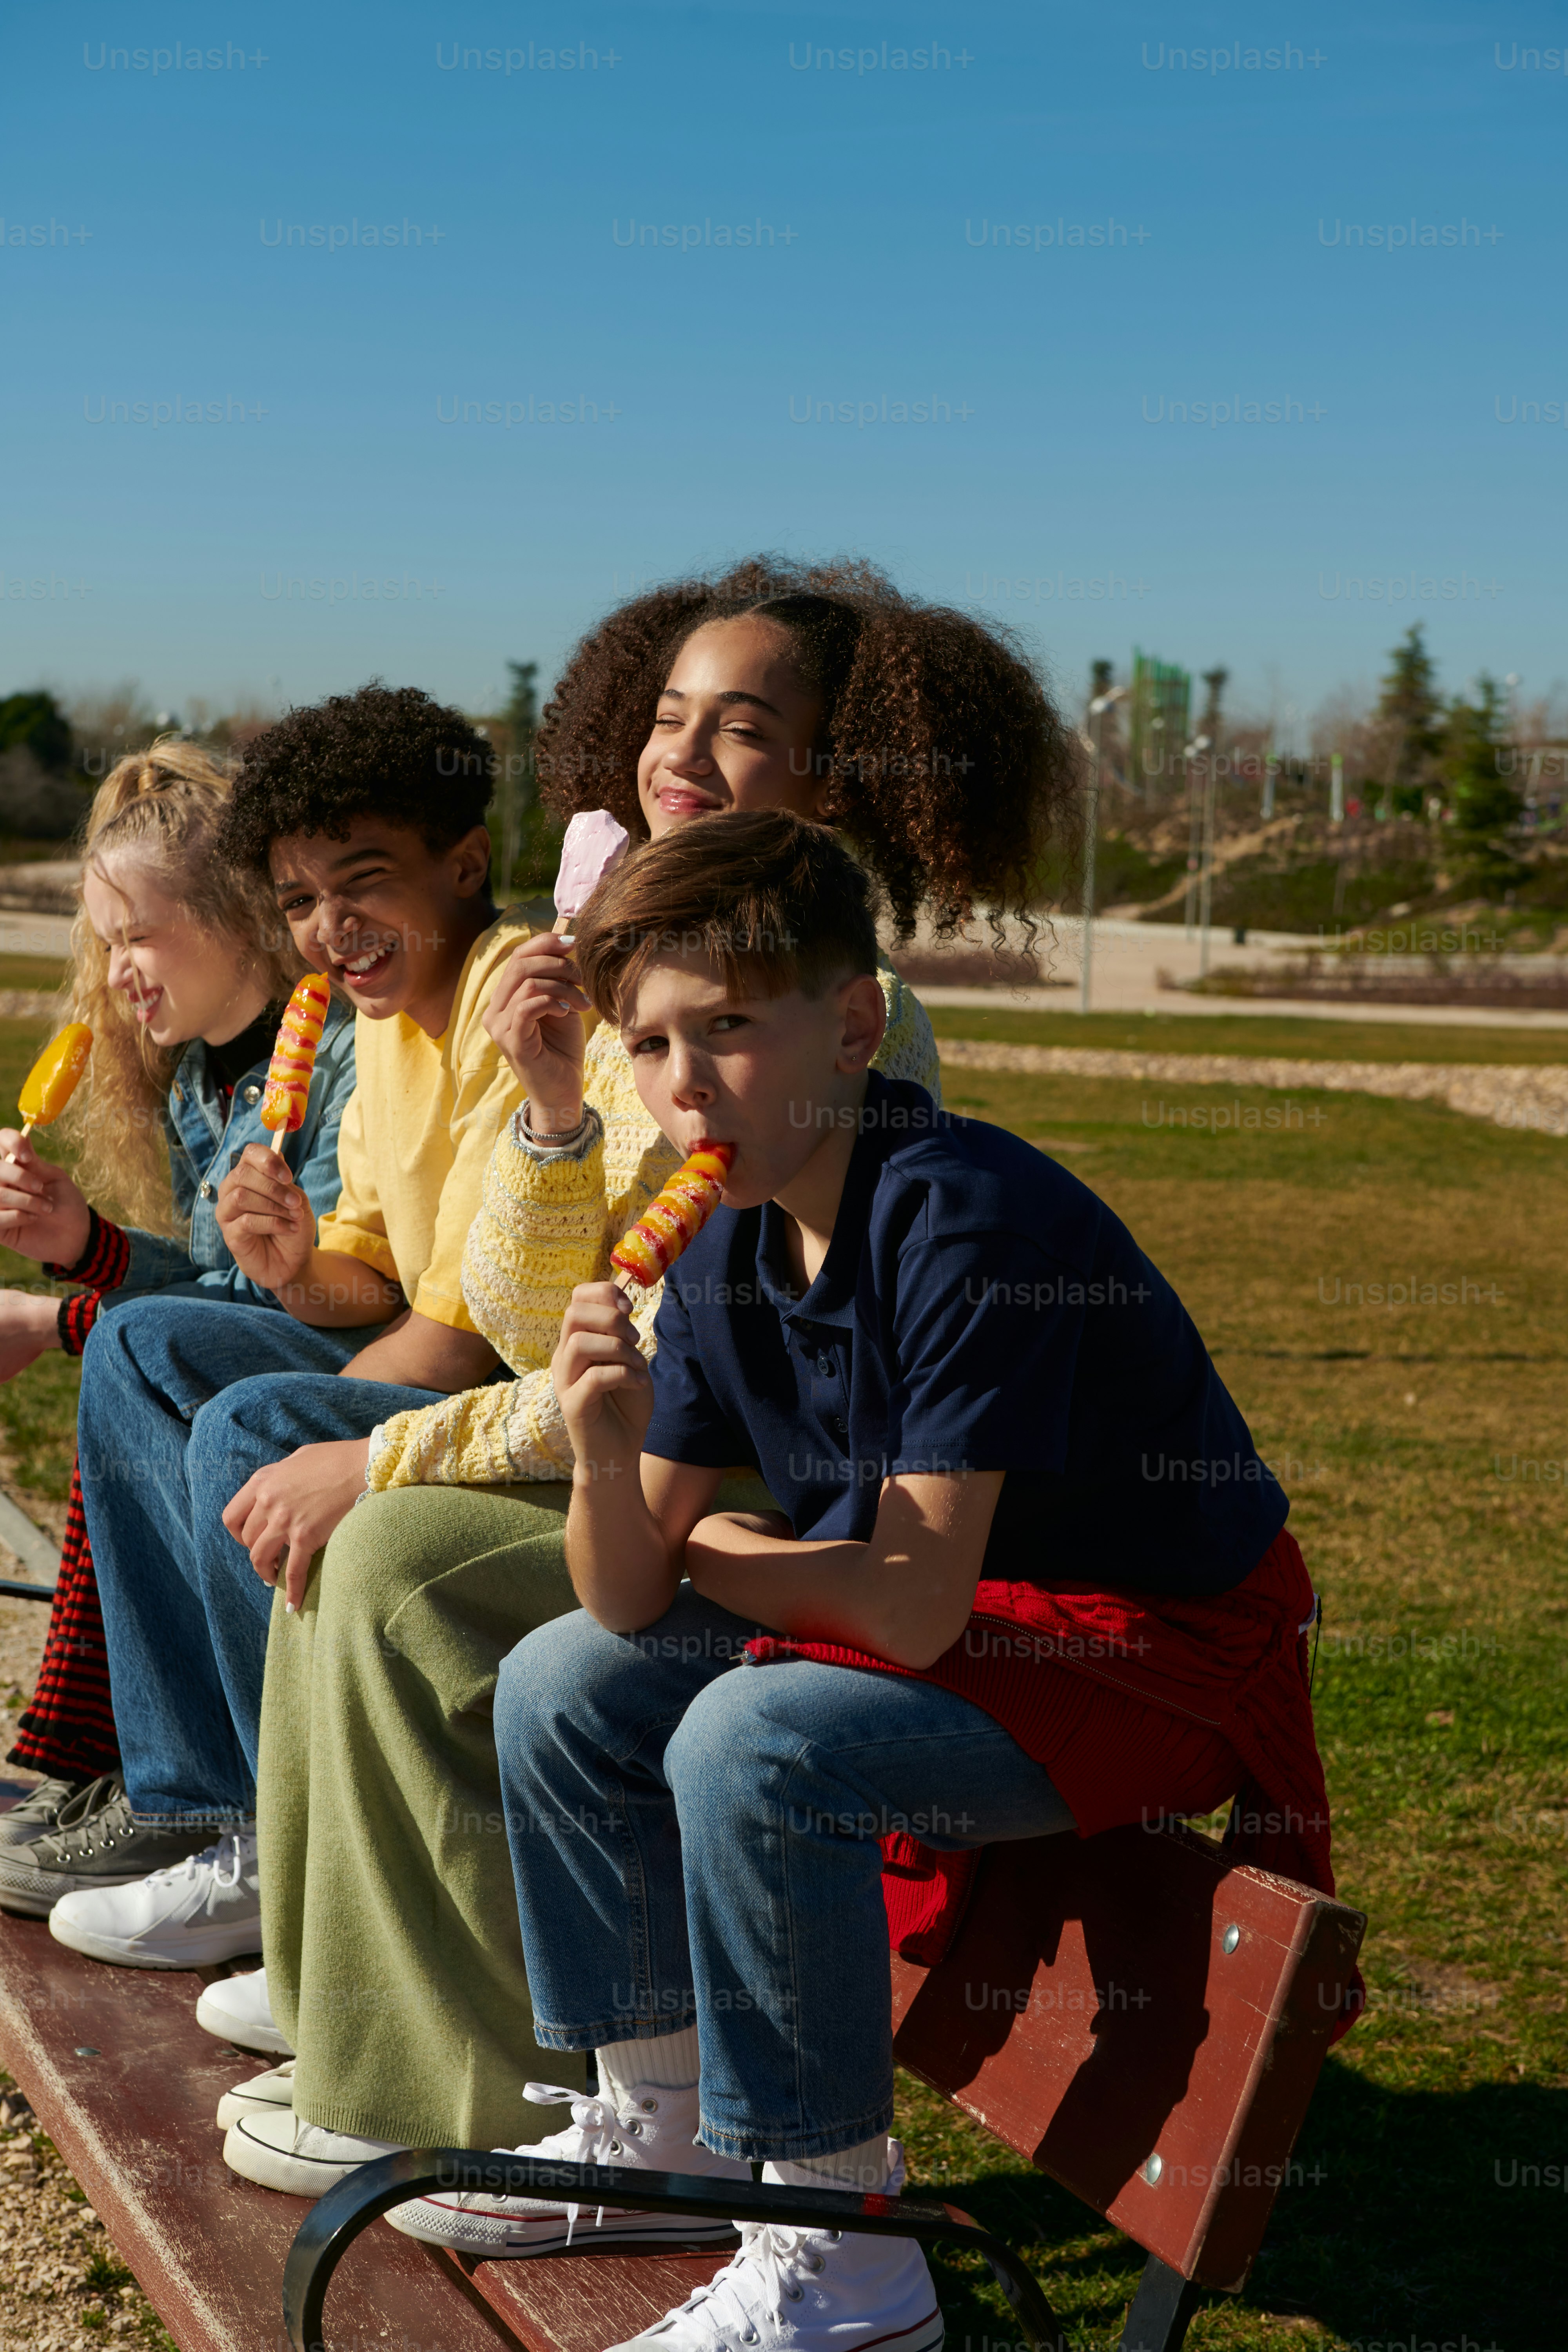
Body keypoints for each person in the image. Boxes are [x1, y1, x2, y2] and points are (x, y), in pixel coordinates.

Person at [386, 810, 1346, 2343]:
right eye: (646, 1046)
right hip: (980, 1639)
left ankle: (844, 2251)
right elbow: (627, 1598)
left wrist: (709, 1542)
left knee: (750, 1742)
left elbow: (904, 1606)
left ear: (850, 1027)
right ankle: (667, 2132)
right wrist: (601, 1444)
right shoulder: (716, 1240)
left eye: (728, 1032)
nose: (683, 1085)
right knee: (566, 1677)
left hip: (1149, 1652)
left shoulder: (960, 1218)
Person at [221, 559, 1081, 2197]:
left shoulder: (835, 1022)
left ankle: (444, 2073)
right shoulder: (641, 974)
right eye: (670, 715)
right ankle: (350, 1980)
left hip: (785, 1478)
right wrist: (551, 1106)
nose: (683, 753)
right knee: (313, 1469)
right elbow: (545, 1314)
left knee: (393, 1553)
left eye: (744, 731)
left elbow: (695, 1352)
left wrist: (400, 1461)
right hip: (669, 1448)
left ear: (835, 778)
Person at [42, 684, 537, 1984]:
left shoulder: (502, 1006)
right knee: (144, 1346)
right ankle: (209, 1809)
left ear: (467, 867)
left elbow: (463, 1337)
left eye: (360, 885)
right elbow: (364, 1277)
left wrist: (317, 1417)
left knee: (243, 1416)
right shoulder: (379, 1020)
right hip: (424, 1353)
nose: (331, 929)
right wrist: (291, 1266)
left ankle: (308, 1855)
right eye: (305, 899)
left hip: (521, 1402)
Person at [0, 740, 355, 1915]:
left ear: (236, 913)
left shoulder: (336, 1054)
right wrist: (85, 1243)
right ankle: (123, 1772)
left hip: (365, 1366)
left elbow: (305, 1298)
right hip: (269, 1350)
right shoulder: (210, 1077)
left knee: (132, 1346)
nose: (113, 975)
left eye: (134, 936)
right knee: (131, 1340)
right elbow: (214, 1284)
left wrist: (76, 1304)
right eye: (104, 944)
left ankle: (186, 1798)